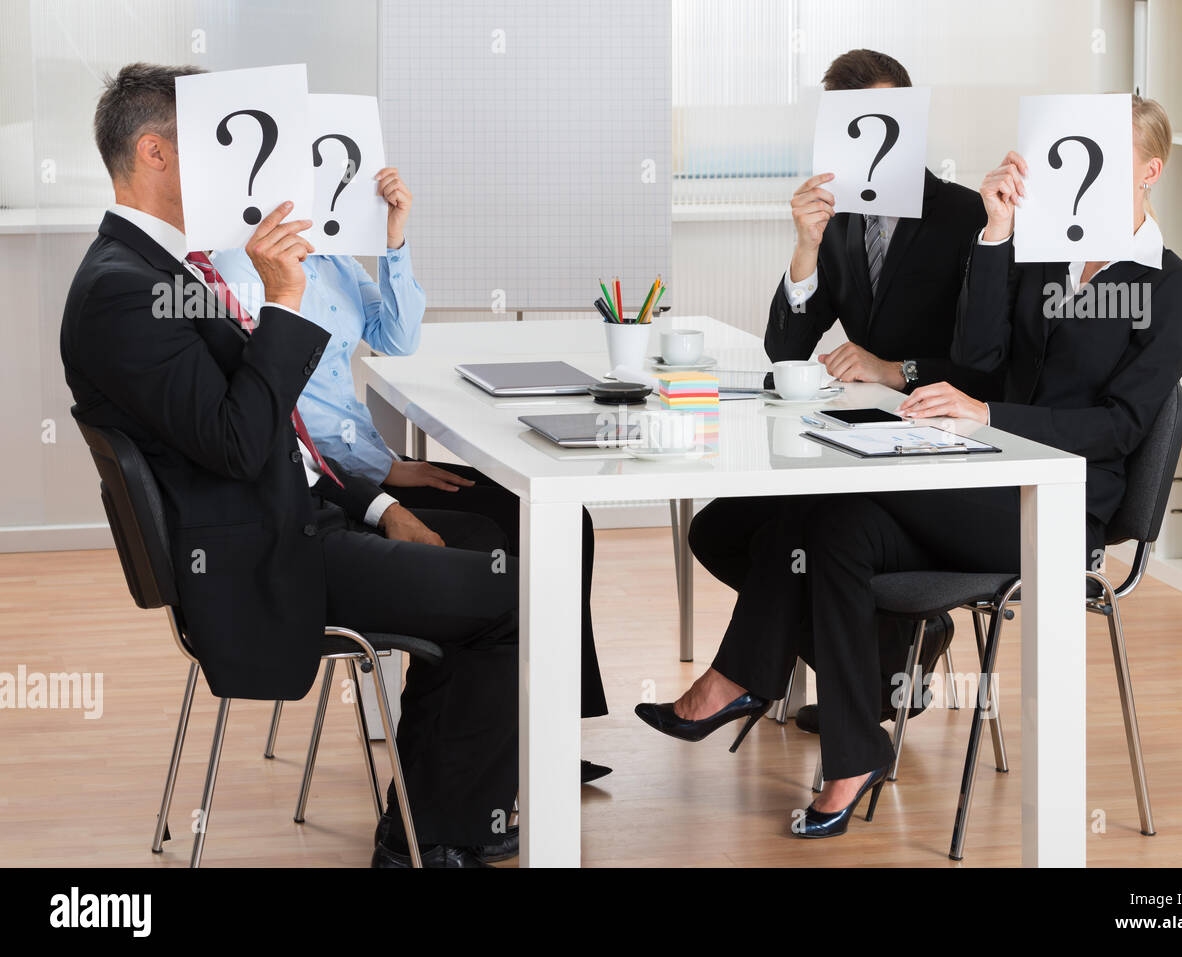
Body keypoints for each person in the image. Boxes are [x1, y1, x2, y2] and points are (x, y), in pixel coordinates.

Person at [638, 93, 1182, 839]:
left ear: (1149, 171)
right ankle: (853, 750)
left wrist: (988, 414)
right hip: (979, 474)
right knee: (835, 524)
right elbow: (977, 359)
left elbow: (1122, 426)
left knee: (826, 500)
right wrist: (998, 235)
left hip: (1056, 508)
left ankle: (737, 676)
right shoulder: (1040, 252)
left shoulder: (1170, 284)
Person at [63, 63, 522, 867]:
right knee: (513, 595)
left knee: (504, 540)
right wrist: (282, 298)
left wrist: (380, 508)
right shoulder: (123, 290)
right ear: (155, 154)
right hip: (265, 563)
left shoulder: (165, 270)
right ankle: (438, 832)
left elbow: (270, 438)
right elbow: (244, 439)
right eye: (213, 140)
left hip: (291, 522)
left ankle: (433, 811)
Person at [210, 176, 611, 782]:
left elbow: (396, 338)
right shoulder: (235, 267)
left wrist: (394, 241)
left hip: (372, 465)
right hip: (334, 486)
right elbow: (275, 413)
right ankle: (497, 743)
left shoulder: (336, 257)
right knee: (501, 540)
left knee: (558, 520)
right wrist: (377, 477)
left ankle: (548, 727)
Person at [687, 48, 998, 732]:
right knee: (719, 529)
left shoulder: (963, 215)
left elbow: (985, 366)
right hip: (861, 439)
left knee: (803, 525)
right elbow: (786, 349)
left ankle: (773, 677)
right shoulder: (842, 220)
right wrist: (803, 248)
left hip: (941, 449)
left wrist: (894, 369)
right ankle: (886, 661)